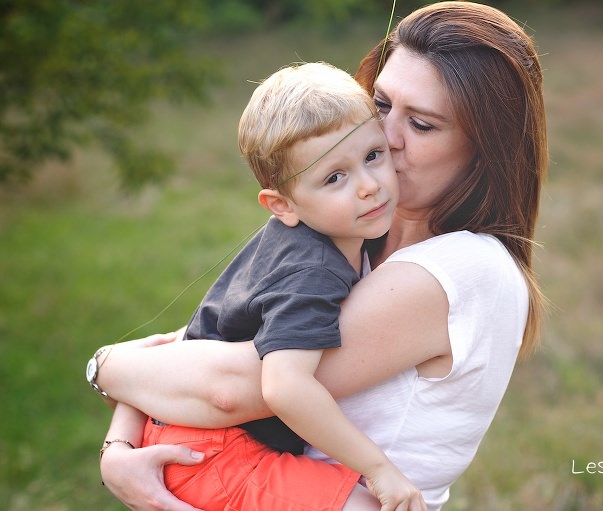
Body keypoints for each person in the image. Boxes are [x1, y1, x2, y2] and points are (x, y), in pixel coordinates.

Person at [92, 2, 548, 510]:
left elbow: (227, 387)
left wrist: (107, 364)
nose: (383, 137)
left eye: (421, 125)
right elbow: (202, 339)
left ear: (485, 148)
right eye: (379, 104)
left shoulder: (463, 270)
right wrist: (120, 447)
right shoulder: (343, 236)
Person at [88, 61, 427, 510]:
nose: (369, 187)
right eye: (334, 177)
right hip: (210, 454)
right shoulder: (312, 272)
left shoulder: (325, 230)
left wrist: (122, 441)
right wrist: (379, 468)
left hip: (178, 425)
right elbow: (285, 387)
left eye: (372, 156)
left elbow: (189, 340)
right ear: (282, 205)